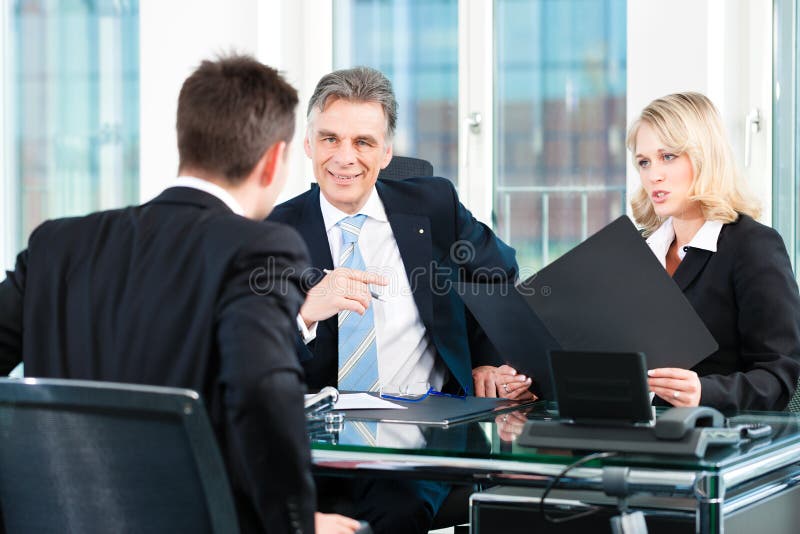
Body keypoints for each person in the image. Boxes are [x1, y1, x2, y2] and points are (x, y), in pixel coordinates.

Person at [0, 54, 360, 534]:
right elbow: (262, 395)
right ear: (275, 159)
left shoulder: (56, 245)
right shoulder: (259, 249)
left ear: (184, 140)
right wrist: (295, 525)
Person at [267, 66, 532, 533]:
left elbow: (498, 274)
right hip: (315, 446)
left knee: (393, 508)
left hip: (421, 440)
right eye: (329, 139)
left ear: (387, 152)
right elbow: (253, 356)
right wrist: (304, 313)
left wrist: (487, 361)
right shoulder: (274, 232)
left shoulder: (433, 205)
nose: (344, 158)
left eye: (363, 142)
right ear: (308, 144)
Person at [627, 91, 800, 412]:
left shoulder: (752, 246)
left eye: (668, 157)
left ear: (704, 157)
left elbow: (778, 376)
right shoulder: (639, 249)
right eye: (644, 162)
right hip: (636, 429)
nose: (654, 175)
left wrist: (703, 392)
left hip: (719, 441)